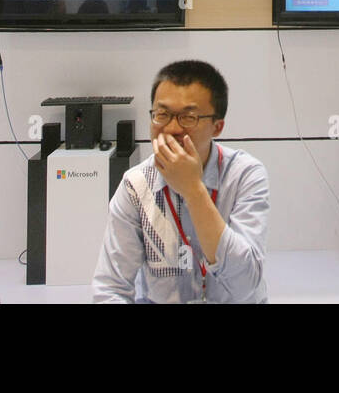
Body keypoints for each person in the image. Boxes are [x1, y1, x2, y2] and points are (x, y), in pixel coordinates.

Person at [93, 60, 269, 303]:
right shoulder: (136, 185)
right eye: (162, 114)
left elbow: (245, 284)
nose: (172, 128)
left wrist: (194, 191)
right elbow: (110, 289)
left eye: (189, 117)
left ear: (217, 127)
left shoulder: (245, 176)